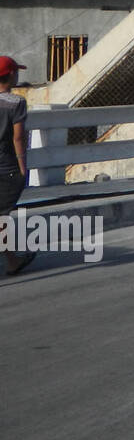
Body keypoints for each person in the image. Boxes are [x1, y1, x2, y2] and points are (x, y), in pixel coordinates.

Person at [0, 55, 35, 276]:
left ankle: (12, 259)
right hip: (6, 168)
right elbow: (18, 138)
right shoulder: (16, 103)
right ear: (12, 74)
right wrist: (23, 167)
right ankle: (11, 261)